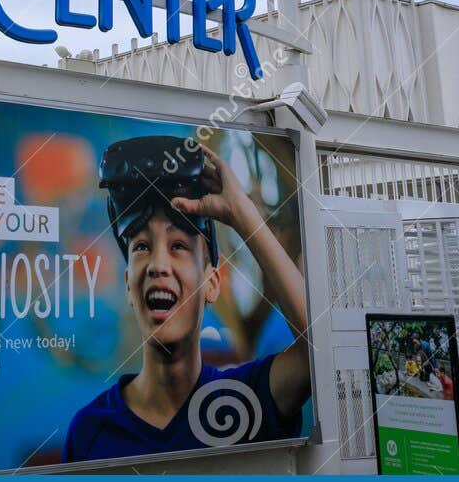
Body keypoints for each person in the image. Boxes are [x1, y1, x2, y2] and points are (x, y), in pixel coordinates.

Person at [63, 135, 311, 463]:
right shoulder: (90, 431)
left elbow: (317, 355)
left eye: (178, 245)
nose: (158, 265)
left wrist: (241, 212)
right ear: (128, 285)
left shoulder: (247, 399)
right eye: (141, 247)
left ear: (211, 283)